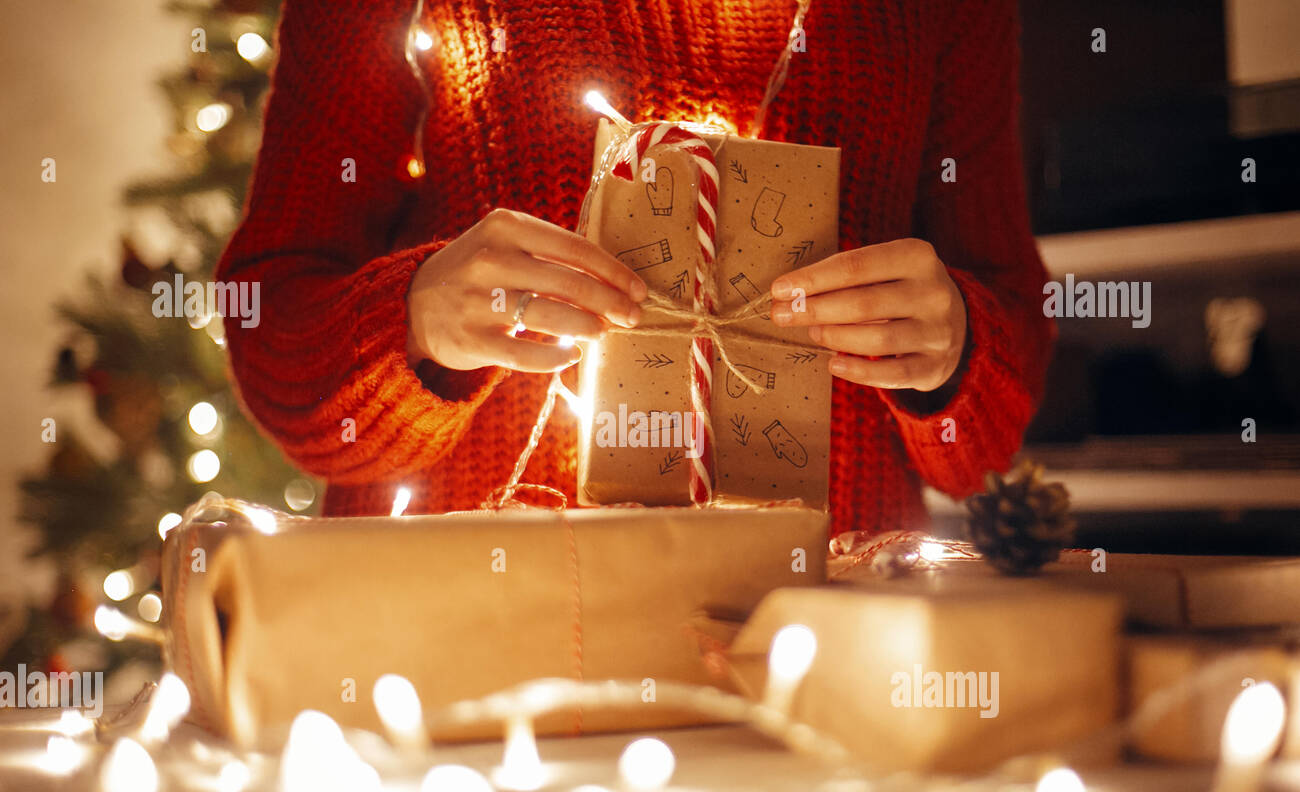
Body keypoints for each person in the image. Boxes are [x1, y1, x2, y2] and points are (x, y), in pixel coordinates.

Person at [217, 0, 1052, 534]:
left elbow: (985, 442)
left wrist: (954, 354)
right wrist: (414, 318)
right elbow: (270, 326)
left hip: (817, 658)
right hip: (475, 669)